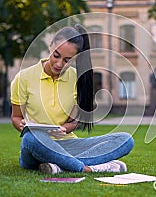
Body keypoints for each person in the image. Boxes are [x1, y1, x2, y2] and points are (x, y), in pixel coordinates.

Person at [10, 25, 134, 174]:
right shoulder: (24, 77)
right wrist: (23, 125)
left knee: (126, 140)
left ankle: (59, 166)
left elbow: (72, 122)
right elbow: (16, 117)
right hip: (37, 146)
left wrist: (64, 129)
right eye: (56, 55)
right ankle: (87, 168)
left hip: (68, 144)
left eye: (67, 60)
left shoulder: (77, 79)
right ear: (51, 46)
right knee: (30, 138)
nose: (59, 64)